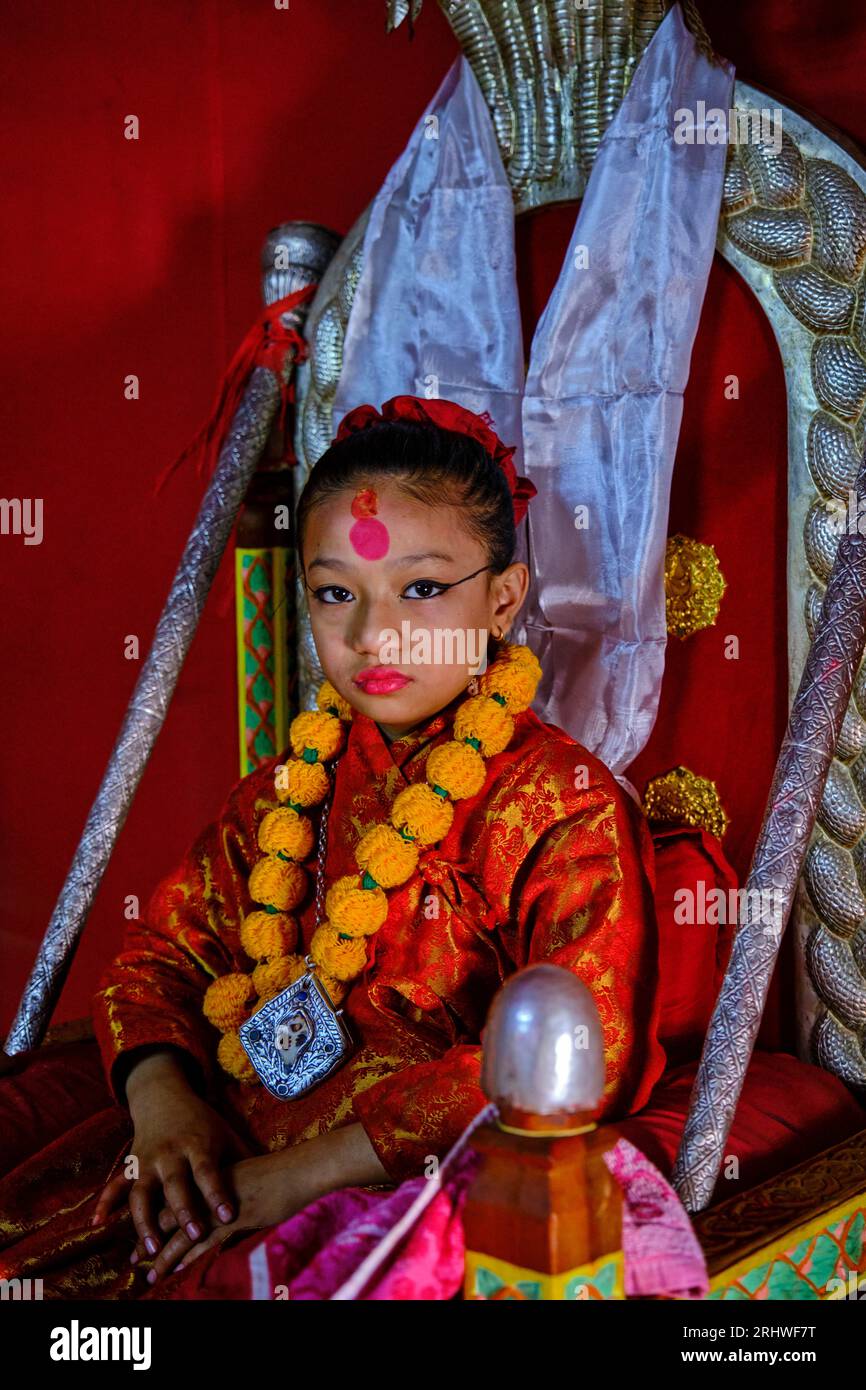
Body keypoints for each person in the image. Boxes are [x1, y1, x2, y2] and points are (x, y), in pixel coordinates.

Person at [0, 394, 667, 1298]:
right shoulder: (286, 791)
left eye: (422, 590)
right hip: (223, 1136)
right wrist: (163, 1107)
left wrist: (288, 1181)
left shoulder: (561, 807)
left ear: (504, 600)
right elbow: (160, 954)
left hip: (394, 1176)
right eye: (335, 593)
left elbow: (580, 1051)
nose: (370, 634)